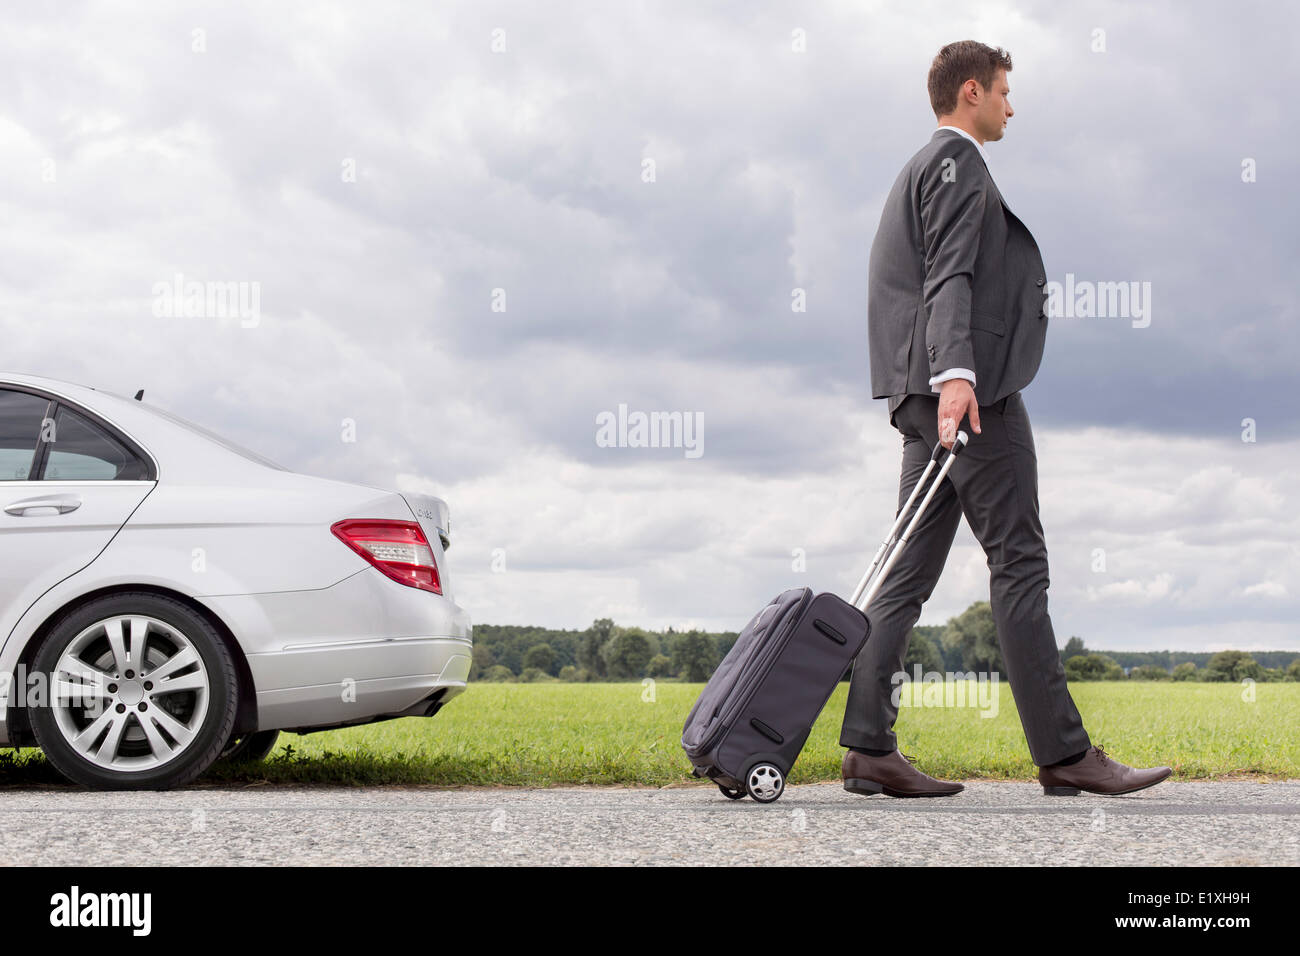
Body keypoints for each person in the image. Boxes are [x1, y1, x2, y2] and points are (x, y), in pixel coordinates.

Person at [839, 40, 1171, 798]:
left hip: (922, 396)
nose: (1011, 106)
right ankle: (1065, 755)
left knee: (905, 574)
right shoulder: (957, 165)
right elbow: (948, 275)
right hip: (970, 397)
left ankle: (867, 747)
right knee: (1020, 563)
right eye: (1003, 92)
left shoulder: (921, 167)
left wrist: (931, 384)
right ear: (969, 94)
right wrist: (958, 374)